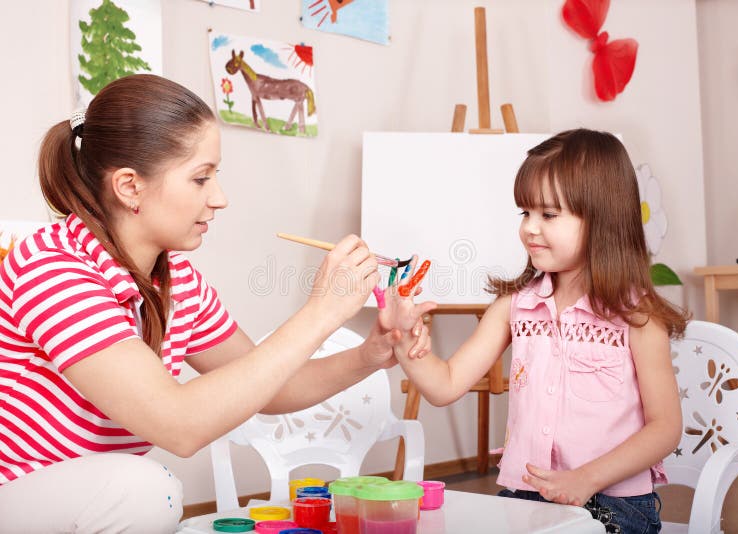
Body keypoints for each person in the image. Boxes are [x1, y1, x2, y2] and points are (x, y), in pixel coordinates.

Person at [0, 74, 430, 533]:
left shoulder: (176, 278)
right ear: (129, 187)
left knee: (145, 488)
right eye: (201, 178)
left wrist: (369, 355)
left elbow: (270, 387)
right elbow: (178, 425)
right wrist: (319, 313)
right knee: (147, 490)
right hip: (18, 491)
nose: (220, 199)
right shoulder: (52, 268)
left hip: (81, 501)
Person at [387, 129, 689, 533]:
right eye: (525, 213)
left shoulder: (639, 318)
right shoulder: (513, 307)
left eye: (548, 215)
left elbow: (665, 427)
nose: (530, 228)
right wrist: (404, 340)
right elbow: (445, 385)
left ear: (602, 219)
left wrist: (586, 479)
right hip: (526, 497)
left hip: (614, 504)